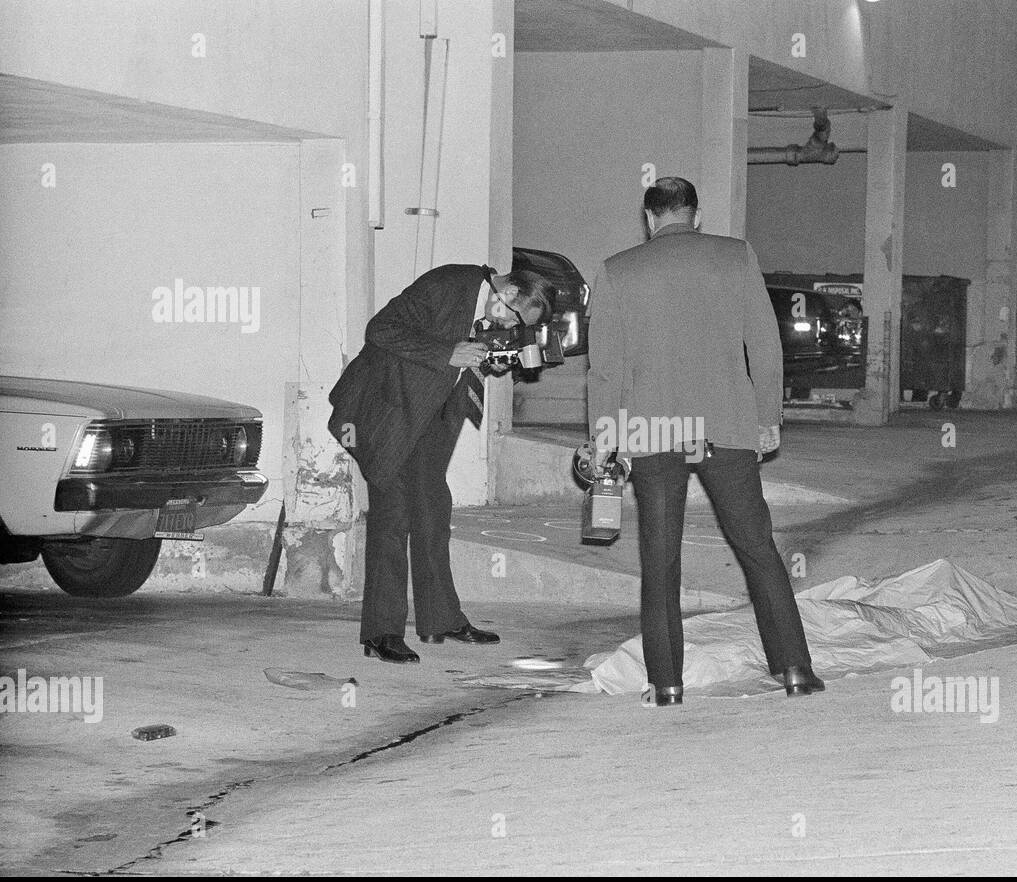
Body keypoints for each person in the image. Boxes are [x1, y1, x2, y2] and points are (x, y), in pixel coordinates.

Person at [587, 176, 823, 706]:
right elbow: (765, 344)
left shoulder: (617, 270)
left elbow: (606, 370)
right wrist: (768, 416)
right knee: (757, 548)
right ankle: (794, 670)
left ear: (649, 219)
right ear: (696, 214)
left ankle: (666, 683)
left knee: (660, 557)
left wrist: (606, 437)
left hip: (654, 431)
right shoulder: (736, 257)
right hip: (723, 426)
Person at [328, 263, 554, 664]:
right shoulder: (448, 284)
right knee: (393, 516)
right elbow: (380, 330)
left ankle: (440, 620)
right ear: (510, 294)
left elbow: (463, 360)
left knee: (433, 511)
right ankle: (381, 633)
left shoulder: (489, 310)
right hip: (385, 410)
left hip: (429, 416)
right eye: (518, 320)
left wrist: (488, 363)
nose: (512, 327)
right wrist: (448, 353)